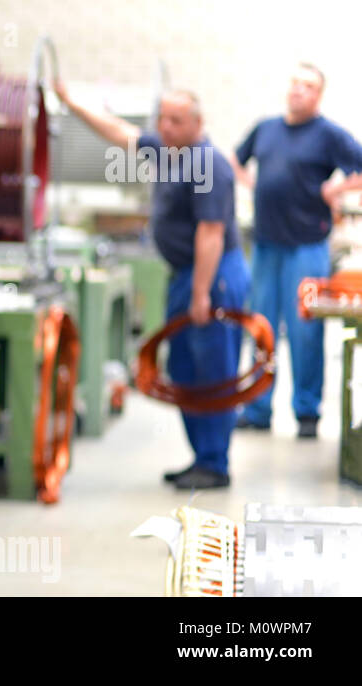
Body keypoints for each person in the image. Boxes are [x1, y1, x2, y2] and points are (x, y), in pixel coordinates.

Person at [58, 83, 247, 489]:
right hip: (188, 275)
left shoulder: (207, 164)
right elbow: (118, 132)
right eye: (162, 118)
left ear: (199, 123)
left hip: (213, 275)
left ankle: (215, 463)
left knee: (210, 370)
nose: (166, 127)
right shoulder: (167, 150)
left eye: (176, 120)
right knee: (185, 368)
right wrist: (72, 102)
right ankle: (202, 457)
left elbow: (211, 233)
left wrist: (201, 292)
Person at [231, 63, 362, 438]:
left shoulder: (329, 135)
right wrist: (252, 185)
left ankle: (307, 411)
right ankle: (257, 409)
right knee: (261, 328)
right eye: (295, 84)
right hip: (266, 245)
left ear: (318, 95)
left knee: (305, 332)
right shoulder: (265, 128)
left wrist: (336, 191)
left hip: (307, 246)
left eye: (308, 86)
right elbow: (235, 160)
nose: (298, 91)